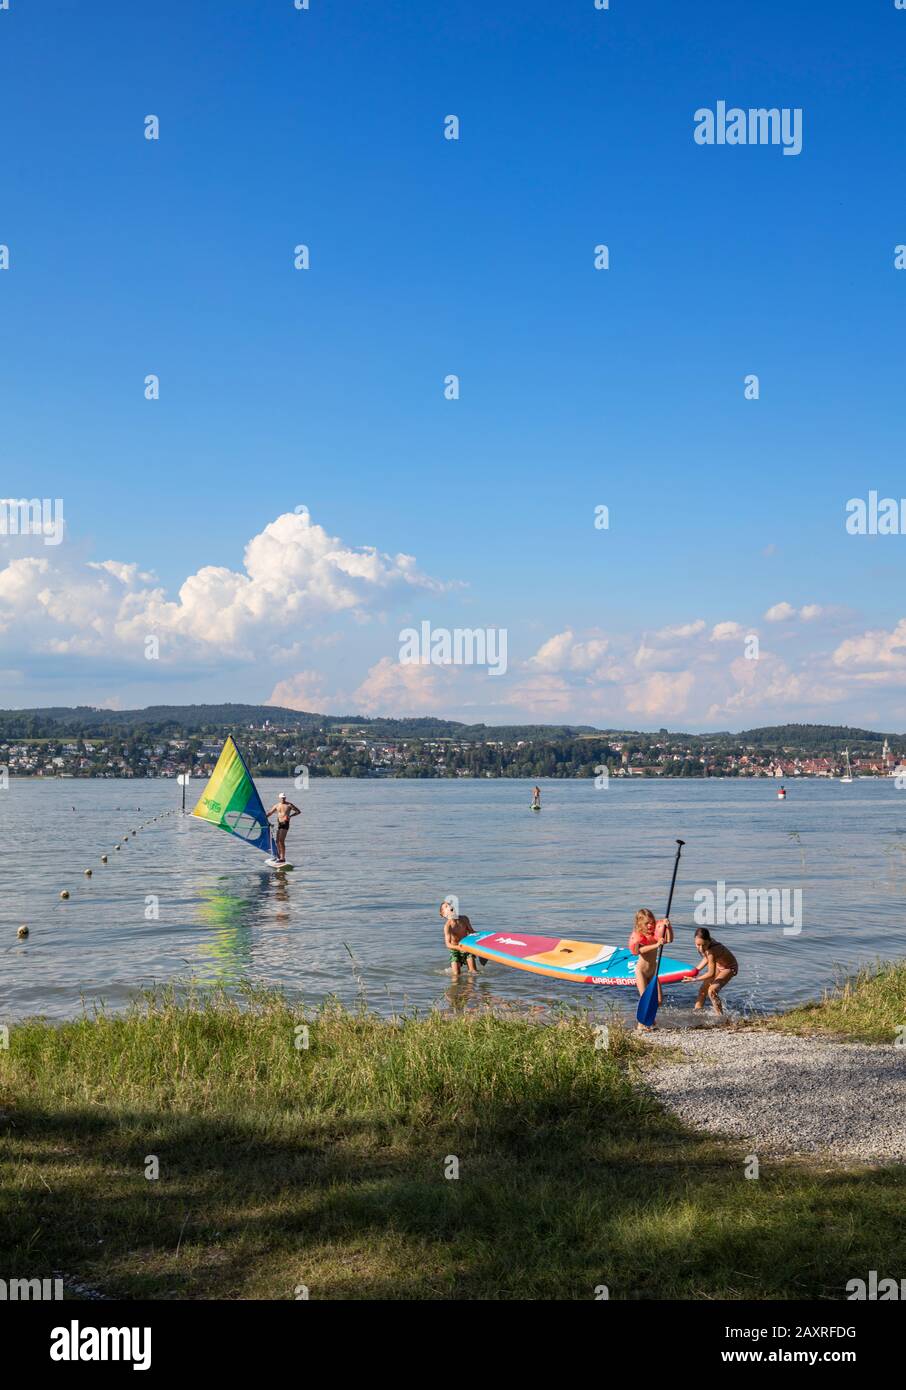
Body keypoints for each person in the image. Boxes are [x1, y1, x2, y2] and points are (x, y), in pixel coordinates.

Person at [628, 908, 673, 1025]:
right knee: (646, 1000)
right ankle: (642, 1024)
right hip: (641, 972)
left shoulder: (655, 934)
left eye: (652, 922)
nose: (650, 925)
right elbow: (640, 951)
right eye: (647, 923)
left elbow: (669, 939)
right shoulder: (640, 937)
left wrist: (668, 927)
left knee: (658, 1000)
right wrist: (657, 945)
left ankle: (650, 1020)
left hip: (653, 972)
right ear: (640, 924)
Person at [691, 928, 738, 1015]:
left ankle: (720, 1017)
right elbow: (707, 958)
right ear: (695, 939)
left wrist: (695, 979)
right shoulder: (707, 946)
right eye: (698, 945)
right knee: (703, 989)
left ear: (709, 941)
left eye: (703, 945)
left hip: (729, 968)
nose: (701, 949)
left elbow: (710, 973)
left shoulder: (712, 950)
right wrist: (695, 971)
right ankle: (696, 1012)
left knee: (712, 991)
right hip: (719, 965)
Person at [441, 904, 479, 979]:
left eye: (450, 905)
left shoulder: (464, 919)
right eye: (446, 907)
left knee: (473, 972)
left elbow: (471, 931)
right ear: (444, 914)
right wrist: (459, 948)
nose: (449, 906)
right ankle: (457, 989)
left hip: (467, 947)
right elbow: (448, 944)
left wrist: (481, 936)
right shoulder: (448, 926)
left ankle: (471, 988)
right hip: (455, 950)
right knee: (456, 975)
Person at [266, 792, 300, 863]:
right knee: (277, 841)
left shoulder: (289, 805)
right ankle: (278, 856)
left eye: (284, 797)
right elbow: (270, 813)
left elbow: (298, 811)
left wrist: (290, 816)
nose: (283, 799)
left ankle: (283, 858)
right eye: (282, 798)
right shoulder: (276, 806)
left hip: (285, 823)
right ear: (279, 798)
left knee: (281, 841)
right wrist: (263, 817)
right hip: (279, 824)